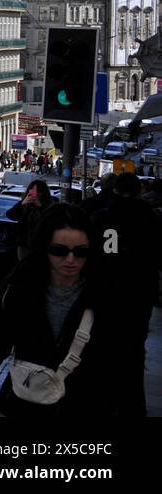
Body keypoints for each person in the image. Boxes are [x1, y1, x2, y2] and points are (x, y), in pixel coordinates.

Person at [0, 204, 119, 417]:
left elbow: (119, 358)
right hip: (23, 404)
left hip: (84, 405)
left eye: (81, 252)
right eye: (59, 250)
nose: (71, 260)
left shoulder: (105, 292)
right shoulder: (19, 287)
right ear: (44, 247)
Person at [88, 172, 162, 416]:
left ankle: (103, 401)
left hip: (106, 292)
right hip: (138, 295)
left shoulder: (103, 217)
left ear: (115, 191)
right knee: (133, 352)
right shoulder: (150, 219)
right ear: (139, 191)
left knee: (102, 349)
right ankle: (131, 406)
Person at [8, 179, 54, 260]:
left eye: (37, 192)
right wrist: (22, 203)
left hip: (41, 246)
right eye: (32, 192)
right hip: (24, 245)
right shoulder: (25, 205)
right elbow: (10, 214)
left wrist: (40, 206)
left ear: (42, 194)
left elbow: (52, 220)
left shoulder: (48, 206)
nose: (34, 195)